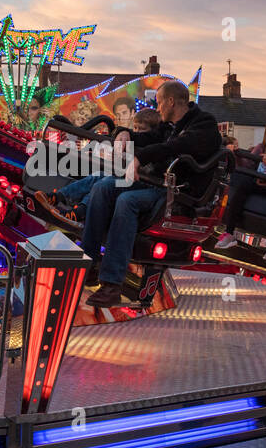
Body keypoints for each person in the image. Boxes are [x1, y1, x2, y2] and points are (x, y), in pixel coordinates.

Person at [84, 81, 220, 308]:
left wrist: (140, 158)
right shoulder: (169, 126)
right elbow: (150, 138)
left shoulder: (204, 125)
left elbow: (176, 147)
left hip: (178, 194)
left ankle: (111, 286)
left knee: (127, 201)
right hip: (156, 185)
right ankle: (88, 265)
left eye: (159, 104)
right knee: (103, 186)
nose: (157, 109)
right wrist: (125, 133)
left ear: (170, 102)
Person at [38, 108, 162, 224]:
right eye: (135, 128)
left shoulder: (150, 149)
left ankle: (73, 207)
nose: (137, 132)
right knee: (98, 178)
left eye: (142, 129)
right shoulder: (130, 142)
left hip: (137, 184)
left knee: (102, 180)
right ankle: (63, 199)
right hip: (121, 179)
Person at [215, 114, 266, 263]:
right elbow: (247, 165)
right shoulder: (261, 147)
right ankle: (229, 233)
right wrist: (236, 154)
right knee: (243, 184)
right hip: (260, 182)